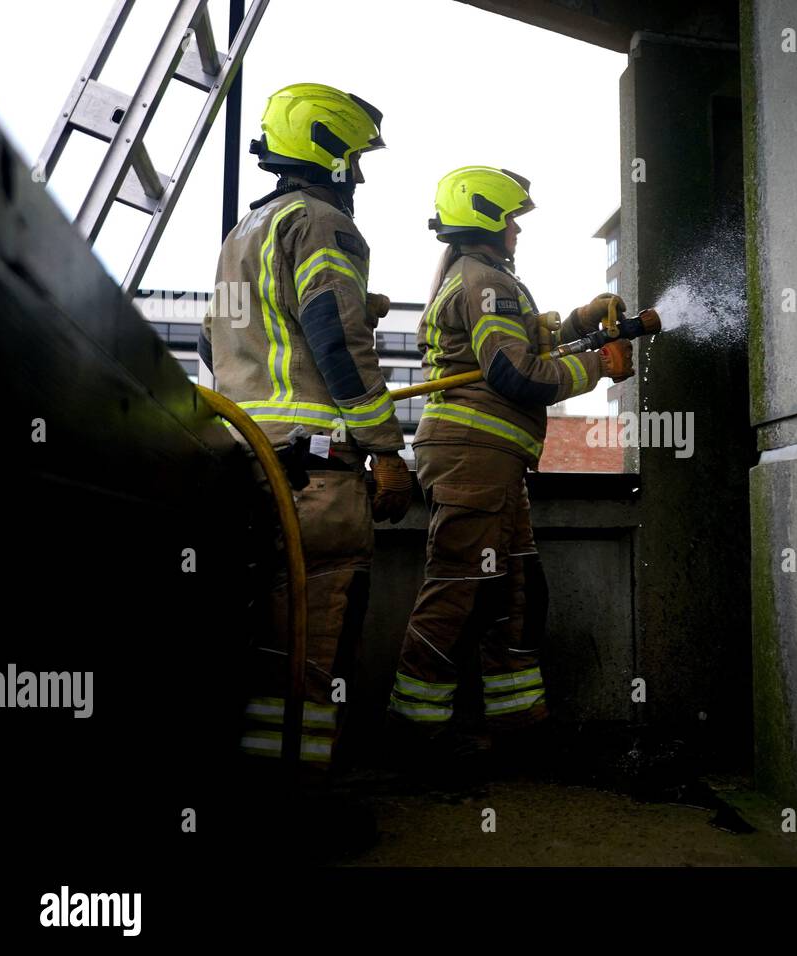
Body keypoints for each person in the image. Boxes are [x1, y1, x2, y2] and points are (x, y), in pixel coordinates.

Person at [200, 83, 414, 769]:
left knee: (266, 636)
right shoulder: (323, 223)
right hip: (316, 476)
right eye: (357, 158)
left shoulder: (245, 232)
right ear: (332, 154)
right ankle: (300, 796)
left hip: (254, 466)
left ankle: (261, 786)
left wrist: (347, 305)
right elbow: (336, 341)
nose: (359, 176)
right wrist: (386, 451)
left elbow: (216, 340)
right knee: (319, 638)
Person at [387, 165, 633, 759]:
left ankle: (518, 723)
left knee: (515, 591)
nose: (518, 231)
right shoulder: (486, 281)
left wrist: (581, 322)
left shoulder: (475, 276)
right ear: (488, 221)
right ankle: (416, 734)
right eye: (512, 221)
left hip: (491, 461)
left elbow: (519, 347)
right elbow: (514, 373)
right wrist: (599, 365)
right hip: (474, 458)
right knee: (460, 592)